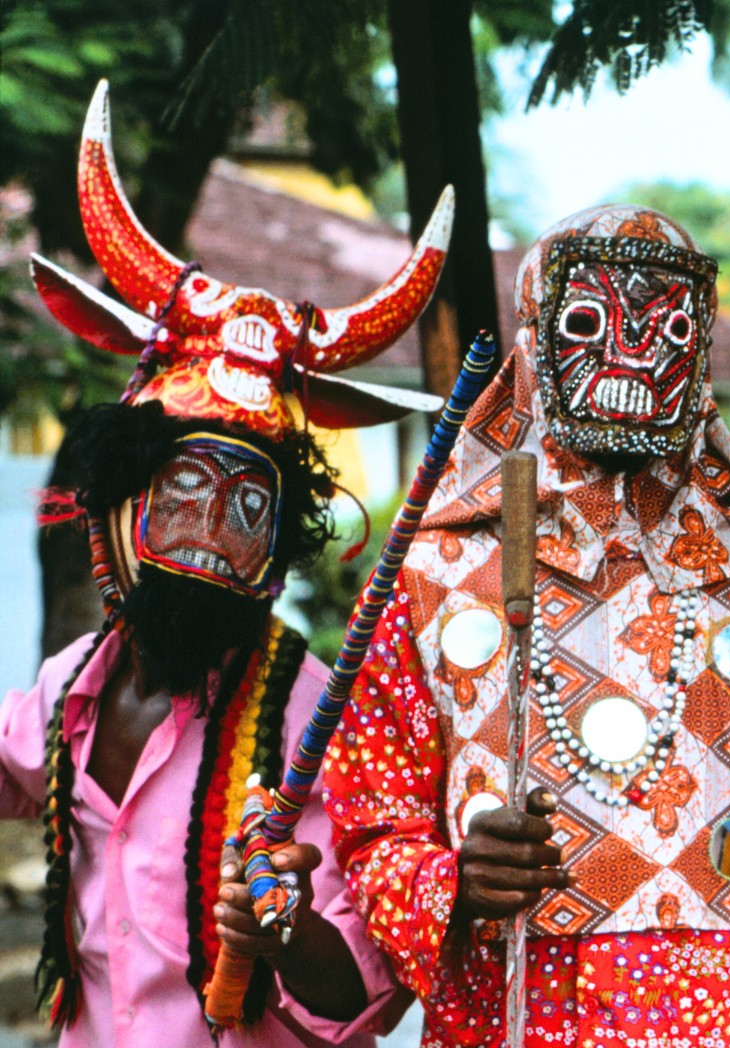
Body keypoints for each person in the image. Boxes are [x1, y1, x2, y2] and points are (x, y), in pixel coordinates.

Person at [322, 204, 730, 1047]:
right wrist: (455, 883)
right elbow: (372, 824)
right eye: (592, 322)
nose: (630, 355)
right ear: (535, 338)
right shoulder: (431, 579)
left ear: (696, 355)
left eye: (663, 330)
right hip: (515, 1017)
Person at [1, 81, 432, 1045]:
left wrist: (283, 935)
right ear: (121, 507)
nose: (214, 532)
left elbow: (359, 995)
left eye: (249, 508)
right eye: (184, 490)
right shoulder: (72, 687)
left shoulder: (320, 721)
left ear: (275, 554)